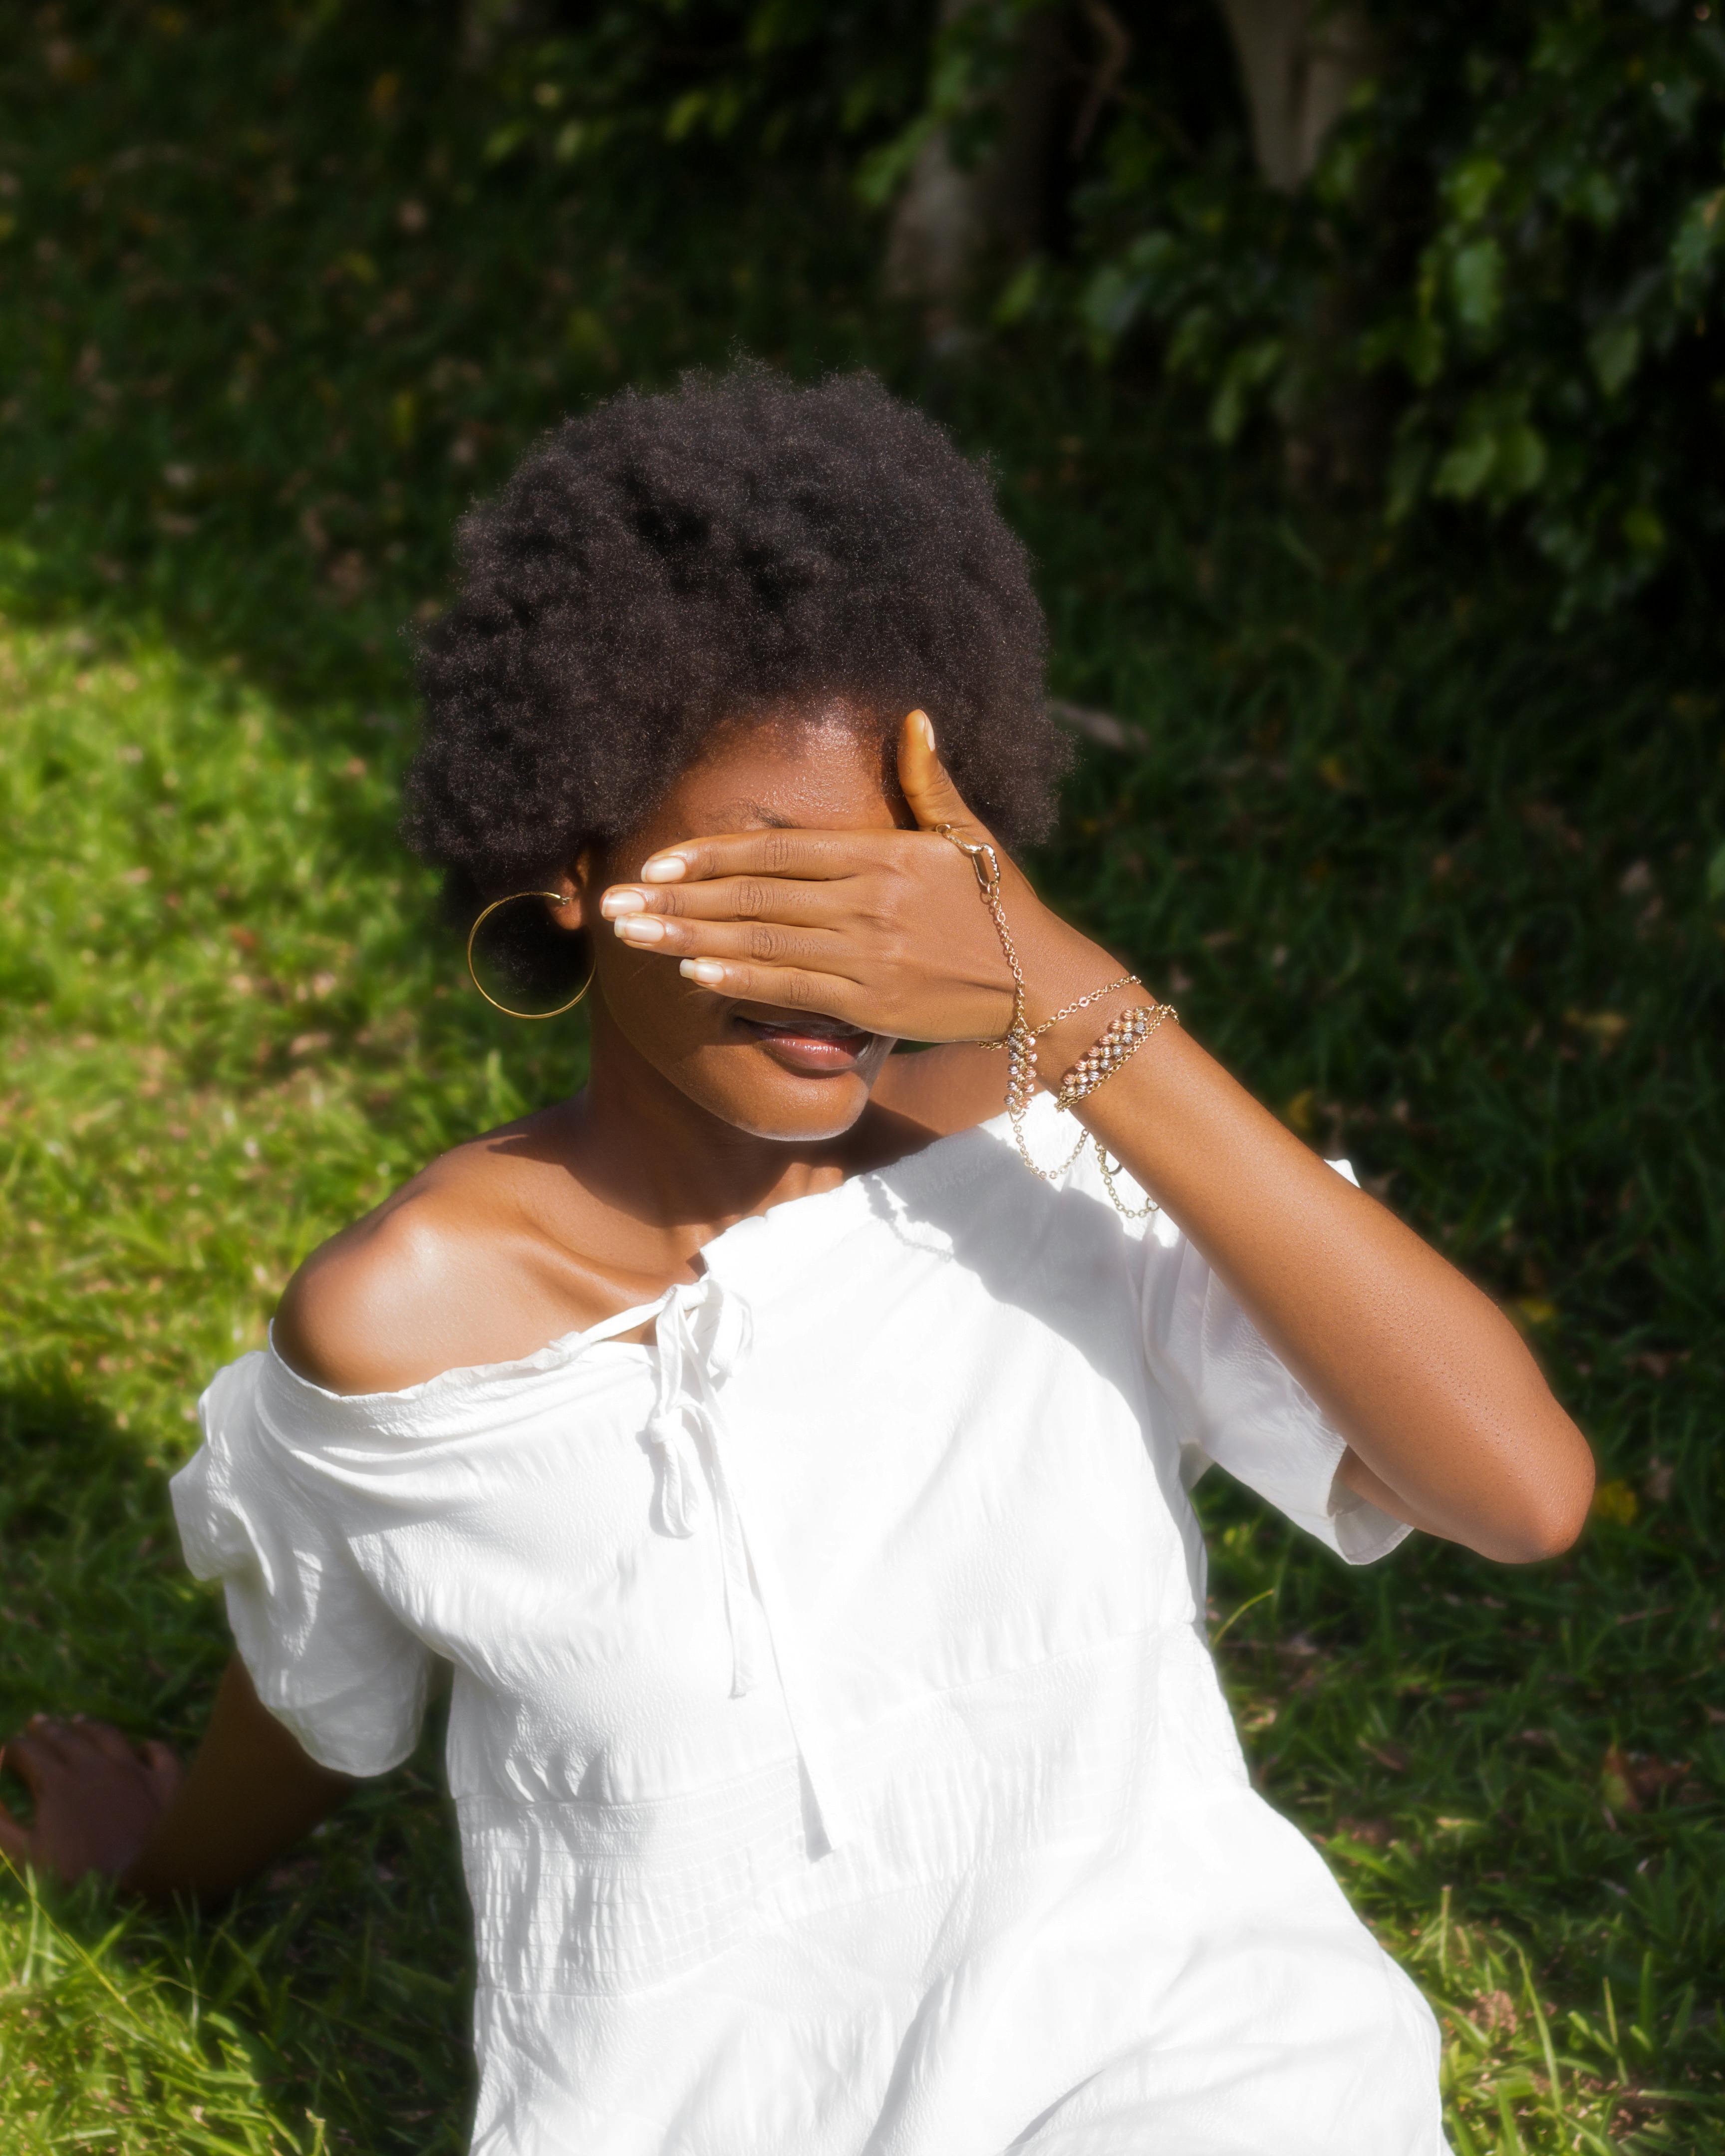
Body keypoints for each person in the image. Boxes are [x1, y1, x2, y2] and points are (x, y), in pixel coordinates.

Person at [0, 370, 1593, 2156]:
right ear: (578, 861)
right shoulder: (411, 1329)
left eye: (900, 891)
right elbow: (318, 1677)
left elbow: (1516, 1494)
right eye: (767, 887)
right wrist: (167, 1867)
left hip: (1206, 2082)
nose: (839, 968)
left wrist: (1069, 1000)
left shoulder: (1051, 1159)